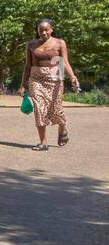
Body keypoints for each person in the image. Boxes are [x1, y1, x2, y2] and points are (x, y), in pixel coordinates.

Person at [20, 18, 80, 150]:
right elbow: (28, 65)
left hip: (55, 77)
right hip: (36, 78)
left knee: (56, 108)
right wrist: (23, 84)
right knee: (39, 108)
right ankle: (43, 142)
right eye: (40, 30)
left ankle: (62, 127)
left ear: (52, 29)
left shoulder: (60, 43)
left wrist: (72, 77)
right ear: (37, 31)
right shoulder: (31, 44)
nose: (44, 33)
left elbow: (65, 62)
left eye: (46, 30)